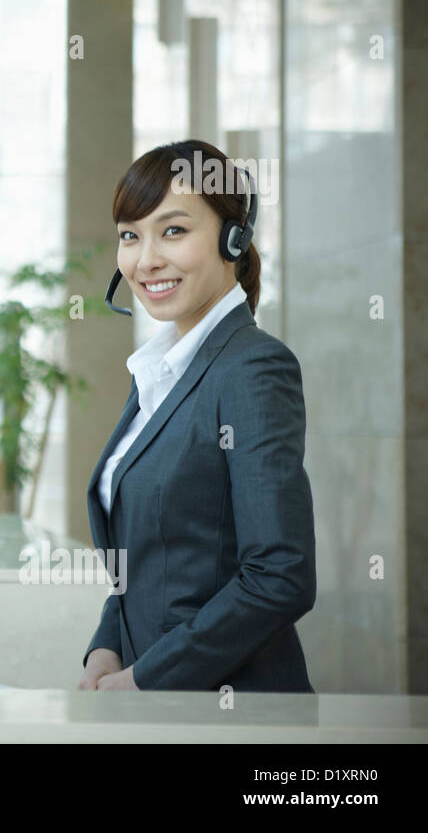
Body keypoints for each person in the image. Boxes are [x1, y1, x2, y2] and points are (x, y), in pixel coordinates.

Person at [77, 139, 316, 693]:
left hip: (231, 715)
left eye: (174, 231)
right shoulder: (163, 371)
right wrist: (107, 649)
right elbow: (156, 559)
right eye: (130, 236)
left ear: (234, 238)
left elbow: (280, 577)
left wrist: (146, 679)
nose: (146, 259)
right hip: (155, 707)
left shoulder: (252, 368)